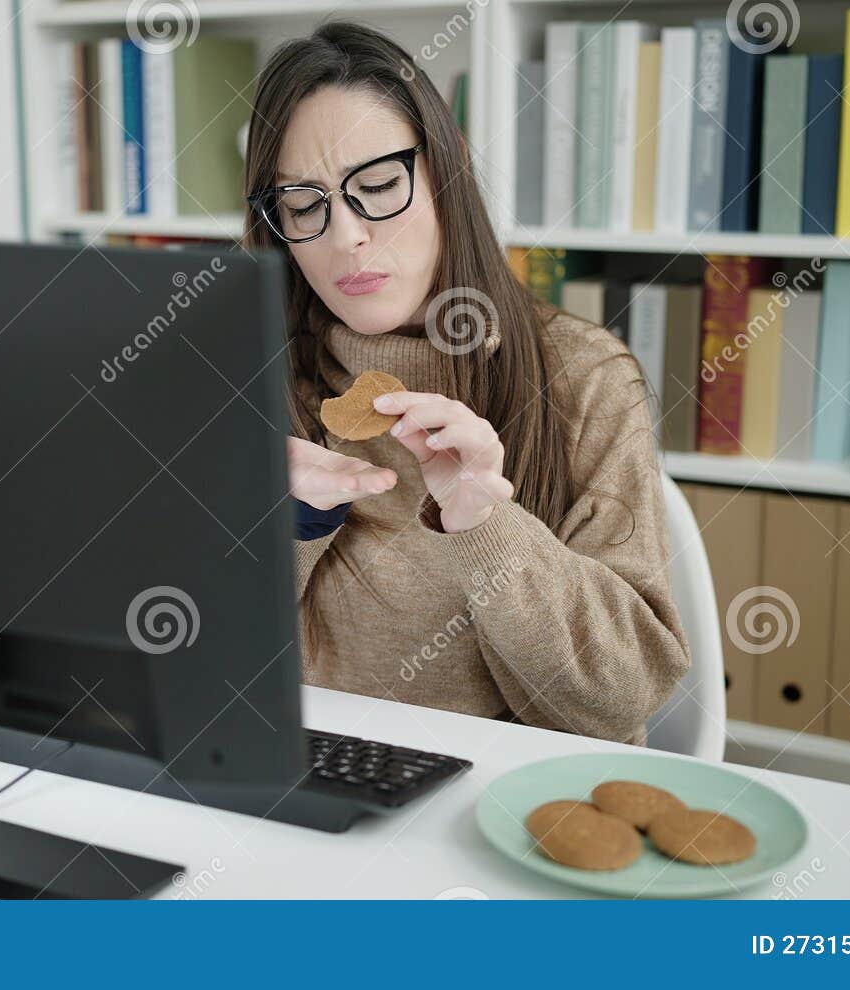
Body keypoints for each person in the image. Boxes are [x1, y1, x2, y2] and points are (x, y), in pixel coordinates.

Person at [241, 21, 689, 746]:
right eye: (302, 203)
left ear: (447, 172)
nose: (345, 235)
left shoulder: (586, 378)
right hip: (323, 792)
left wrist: (488, 527)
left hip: (519, 806)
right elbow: (197, 665)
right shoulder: (256, 375)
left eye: (379, 186)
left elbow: (624, 696)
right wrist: (290, 525)